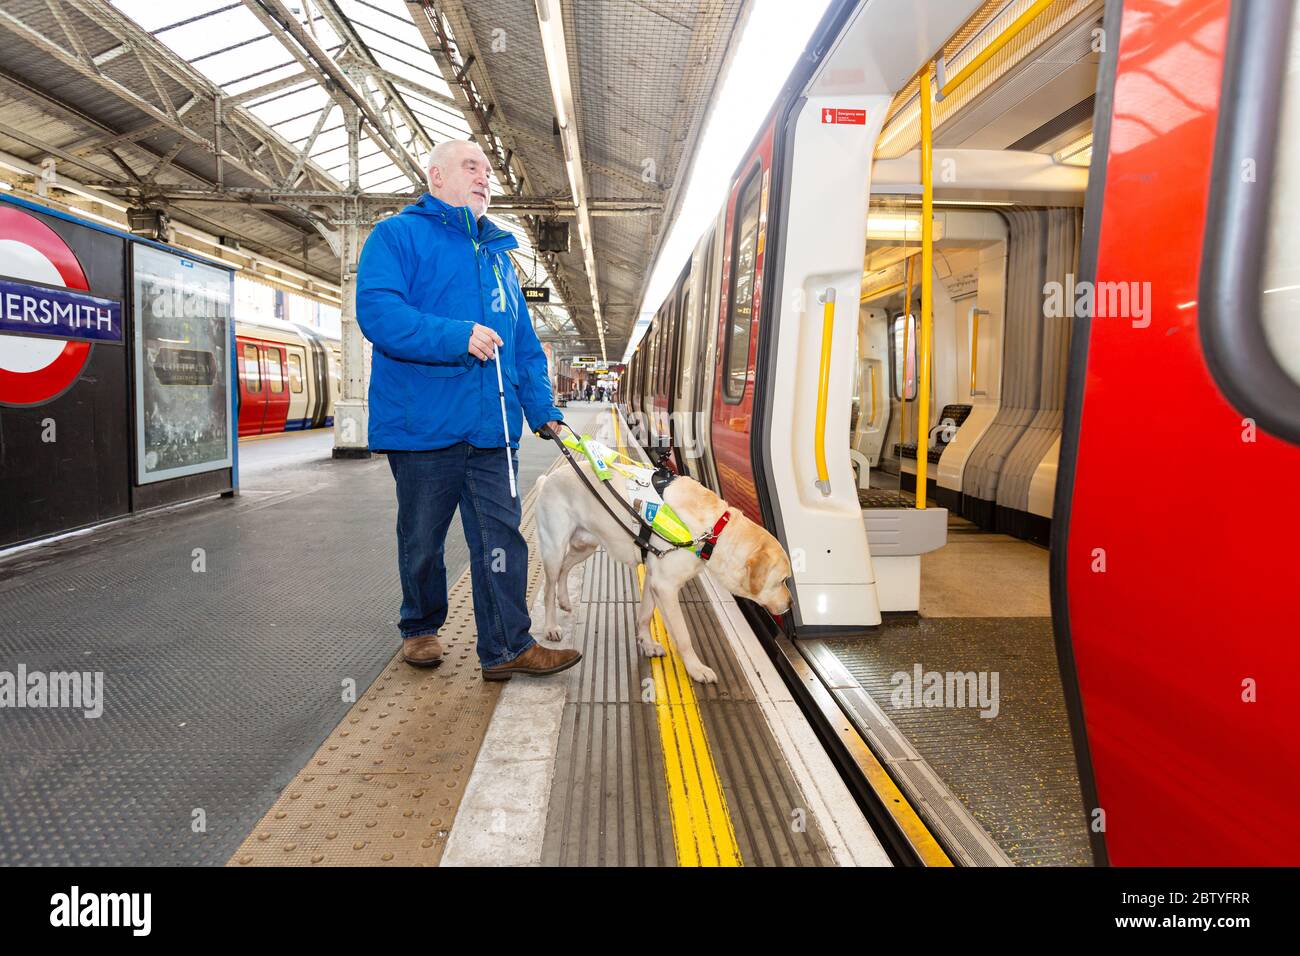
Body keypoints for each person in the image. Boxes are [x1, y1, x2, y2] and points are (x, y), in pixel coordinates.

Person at [355, 139, 581, 681]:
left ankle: (507, 645)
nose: (484, 176)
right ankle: (420, 626)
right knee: (422, 538)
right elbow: (379, 313)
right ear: (435, 176)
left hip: (490, 428)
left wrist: (543, 408)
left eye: (487, 168)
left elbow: (523, 343)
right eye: (470, 166)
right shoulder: (396, 236)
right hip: (423, 425)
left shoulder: (500, 257)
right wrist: (456, 336)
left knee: (502, 538)